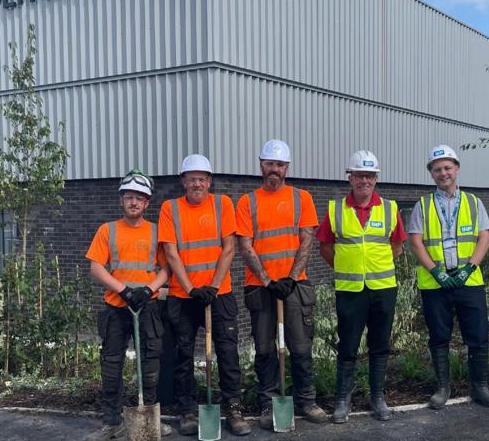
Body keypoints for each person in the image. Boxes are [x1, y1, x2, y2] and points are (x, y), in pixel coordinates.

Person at [237, 139, 329, 428]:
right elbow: (245, 245)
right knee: (265, 350)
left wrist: (290, 278)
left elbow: (307, 240)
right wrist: (267, 281)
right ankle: (268, 403)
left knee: (300, 347)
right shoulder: (248, 201)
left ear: (287, 167)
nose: (274, 169)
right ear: (261, 165)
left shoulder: (302, 198)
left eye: (279, 164)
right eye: (269, 163)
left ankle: (307, 400)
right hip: (260, 287)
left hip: (294, 286)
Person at [158, 154, 251, 436]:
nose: (197, 184)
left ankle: (233, 408)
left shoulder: (223, 204)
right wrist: (191, 288)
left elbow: (229, 248)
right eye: (192, 179)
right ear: (183, 181)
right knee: (183, 355)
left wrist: (213, 286)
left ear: (209, 181)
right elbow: (171, 253)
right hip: (183, 296)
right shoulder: (170, 208)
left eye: (202, 178)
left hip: (219, 294)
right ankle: (187, 410)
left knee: (227, 353)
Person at [408, 144, 489, 410]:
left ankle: (480, 387)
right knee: (439, 337)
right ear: (431, 173)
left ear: (457, 169)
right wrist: (435, 271)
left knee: (478, 335)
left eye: (447, 167)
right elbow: (415, 242)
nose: (443, 173)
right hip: (435, 283)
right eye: (437, 169)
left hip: (468, 281)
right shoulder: (423, 205)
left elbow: (484, 237)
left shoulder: (473, 202)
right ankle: (443, 388)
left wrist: (470, 267)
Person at [318, 150, 407, 423]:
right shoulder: (335, 209)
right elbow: (326, 248)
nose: (365, 181)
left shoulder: (390, 208)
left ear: (376, 179)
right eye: (359, 175)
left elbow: (397, 247)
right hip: (350, 290)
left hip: (383, 289)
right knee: (348, 345)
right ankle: (342, 401)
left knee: (380, 345)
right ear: (350, 178)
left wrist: (374, 267)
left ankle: (377, 398)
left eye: (369, 176)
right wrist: (349, 267)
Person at [85, 169, 172, 440]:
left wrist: (148, 289)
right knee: (111, 366)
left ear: (147, 203)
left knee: (150, 367)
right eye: (129, 197)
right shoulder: (107, 230)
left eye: (139, 198)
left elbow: (167, 268)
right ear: (121, 200)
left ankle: (150, 420)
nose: (134, 202)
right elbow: (96, 267)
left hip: (148, 308)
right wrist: (123, 290)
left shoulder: (157, 232)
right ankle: (112, 423)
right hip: (116, 308)